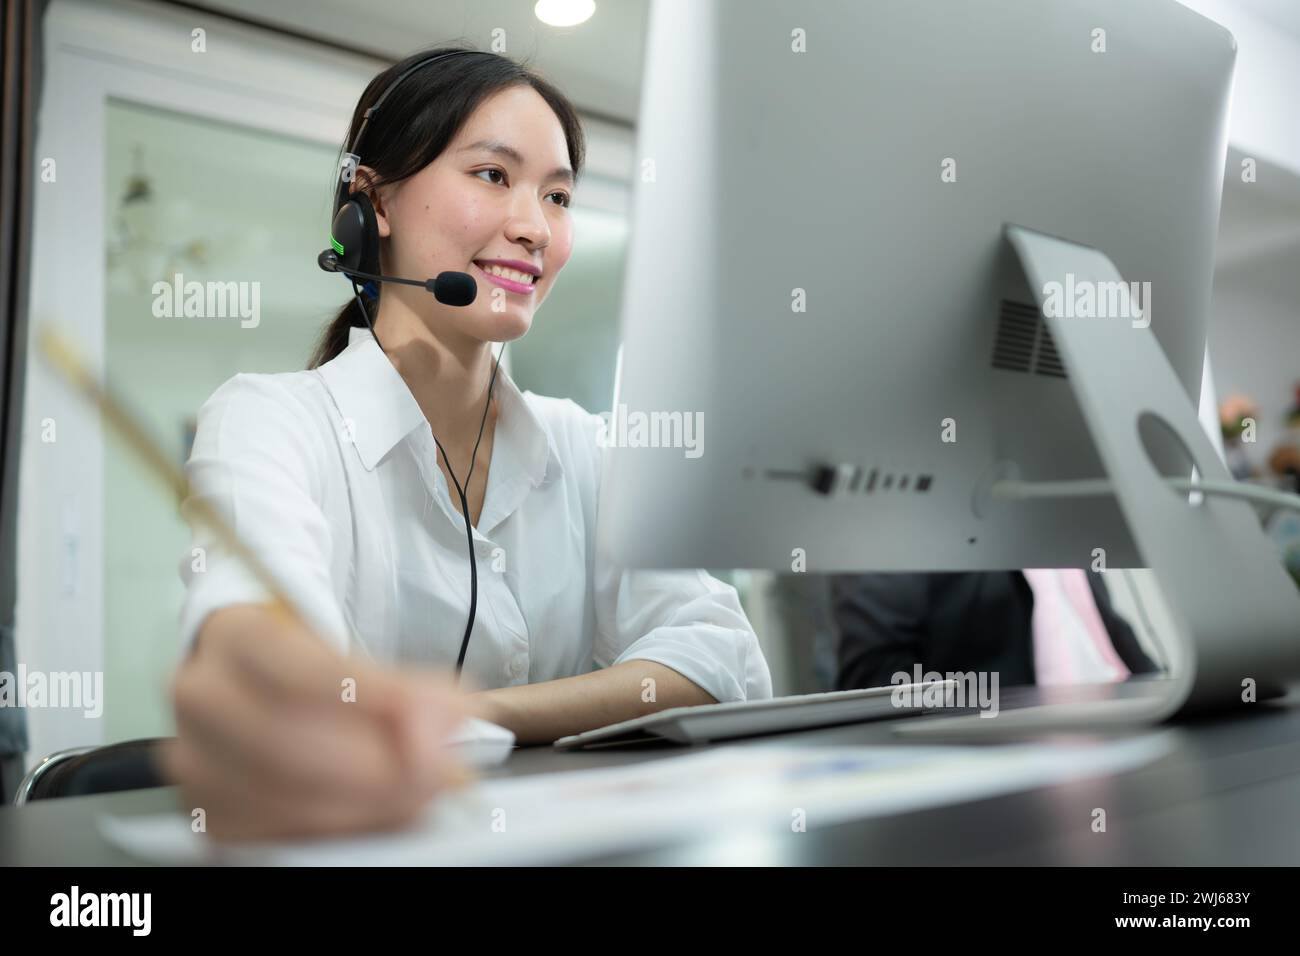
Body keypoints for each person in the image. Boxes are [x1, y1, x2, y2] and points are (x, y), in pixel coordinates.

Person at [163, 48, 771, 840]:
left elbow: (722, 658)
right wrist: (265, 683)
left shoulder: (578, 444)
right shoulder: (270, 422)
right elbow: (257, 640)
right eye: (493, 175)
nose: (534, 227)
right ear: (371, 201)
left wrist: (465, 718)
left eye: (557, 195)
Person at [831, 570, 1159, 691]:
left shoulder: (1054, 520)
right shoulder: (900, 525)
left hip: (1129, 718)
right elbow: (872, 680)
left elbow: (1104, 631)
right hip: (1015, 753)